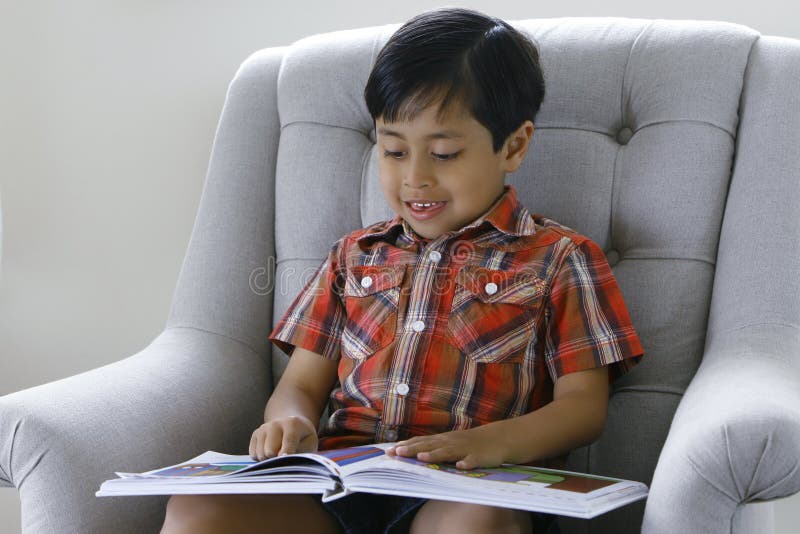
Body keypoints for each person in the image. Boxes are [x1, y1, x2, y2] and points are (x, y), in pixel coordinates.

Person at [160, 6, 644, 534]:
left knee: (473, 525)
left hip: (472, 485)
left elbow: (583, 407)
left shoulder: (559, 259)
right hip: (340, 483)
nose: (415, 177)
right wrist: (289, 422)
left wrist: (489, 443)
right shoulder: (353, 256)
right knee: (197, 508)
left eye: (444, 153)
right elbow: (300, 384)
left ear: (514, 145)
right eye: (393, 150)